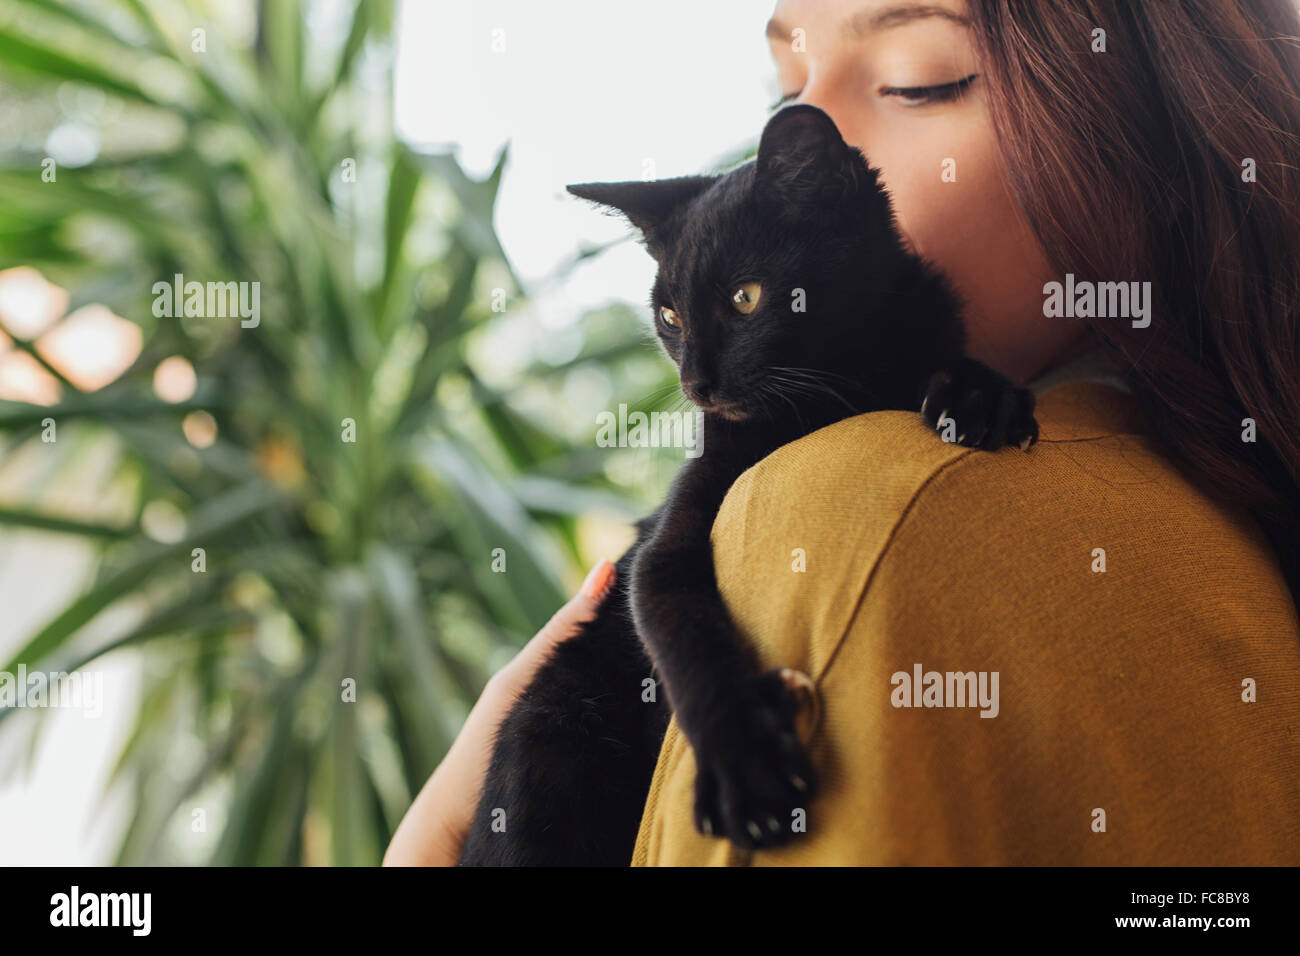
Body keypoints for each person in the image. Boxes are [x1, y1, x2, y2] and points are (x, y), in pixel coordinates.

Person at [386, 0, 1300, 866]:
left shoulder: (871, 509)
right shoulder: (1232, 538)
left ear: (1149, 98)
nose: (816, 130)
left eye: (919, 79)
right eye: (786, 89)